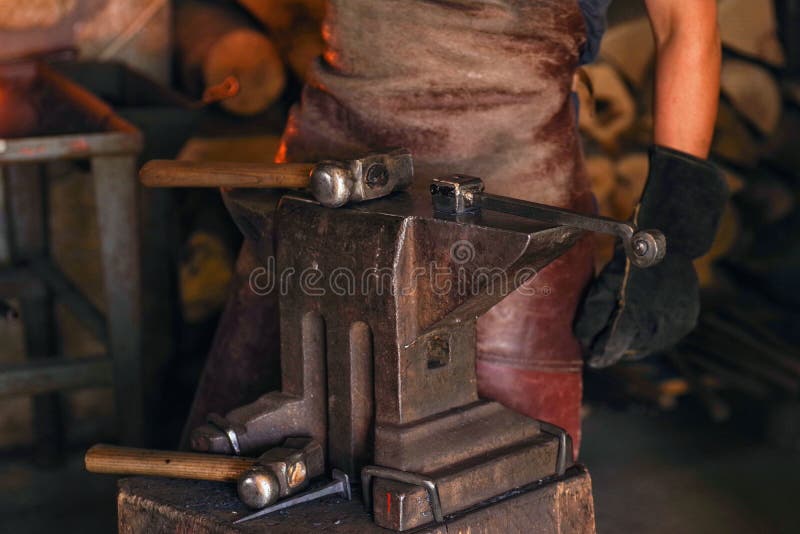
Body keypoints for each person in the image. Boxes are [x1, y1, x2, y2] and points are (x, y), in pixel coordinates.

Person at [274, 0, 726, 456]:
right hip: (321, 184)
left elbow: (683, 23)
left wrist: (673, 227)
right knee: (268, 458)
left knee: (501, 472)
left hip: (512, 212)